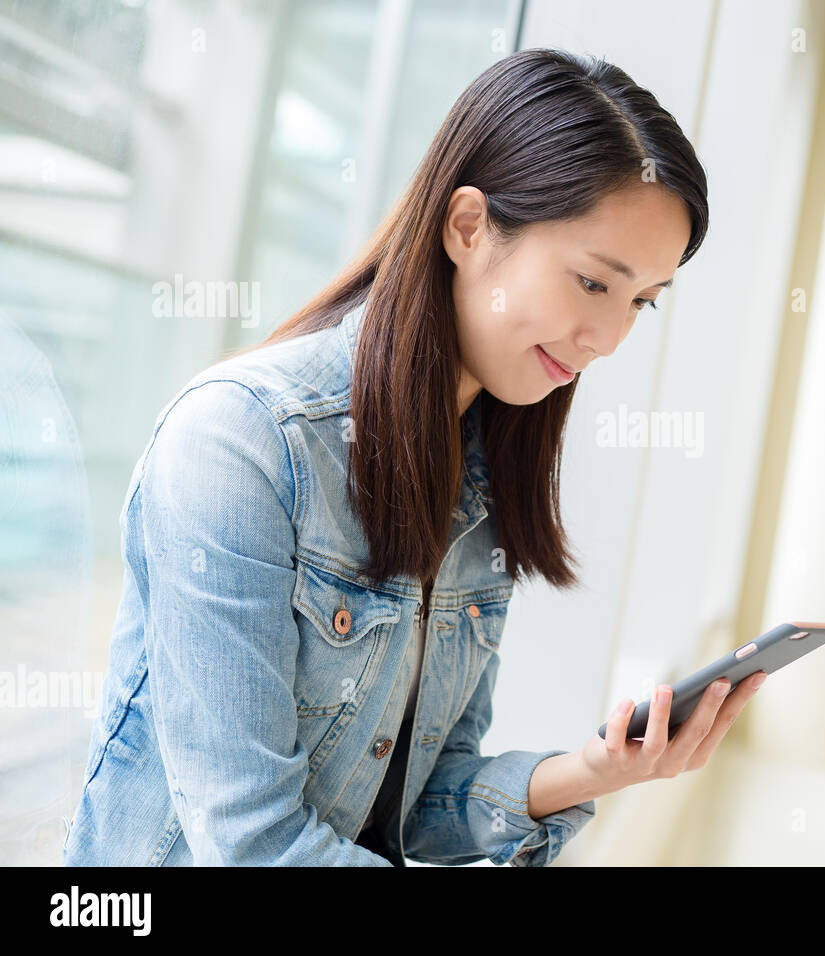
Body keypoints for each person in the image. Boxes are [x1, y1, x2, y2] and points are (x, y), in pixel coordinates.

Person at [62, 47, 764, 867]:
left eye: (641, 300)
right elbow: (251, 843)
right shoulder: (238, 443)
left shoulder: (484, 473)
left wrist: (593, 771)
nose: (609, 340)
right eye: (592, 283)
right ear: (469, 227)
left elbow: (412, 803)